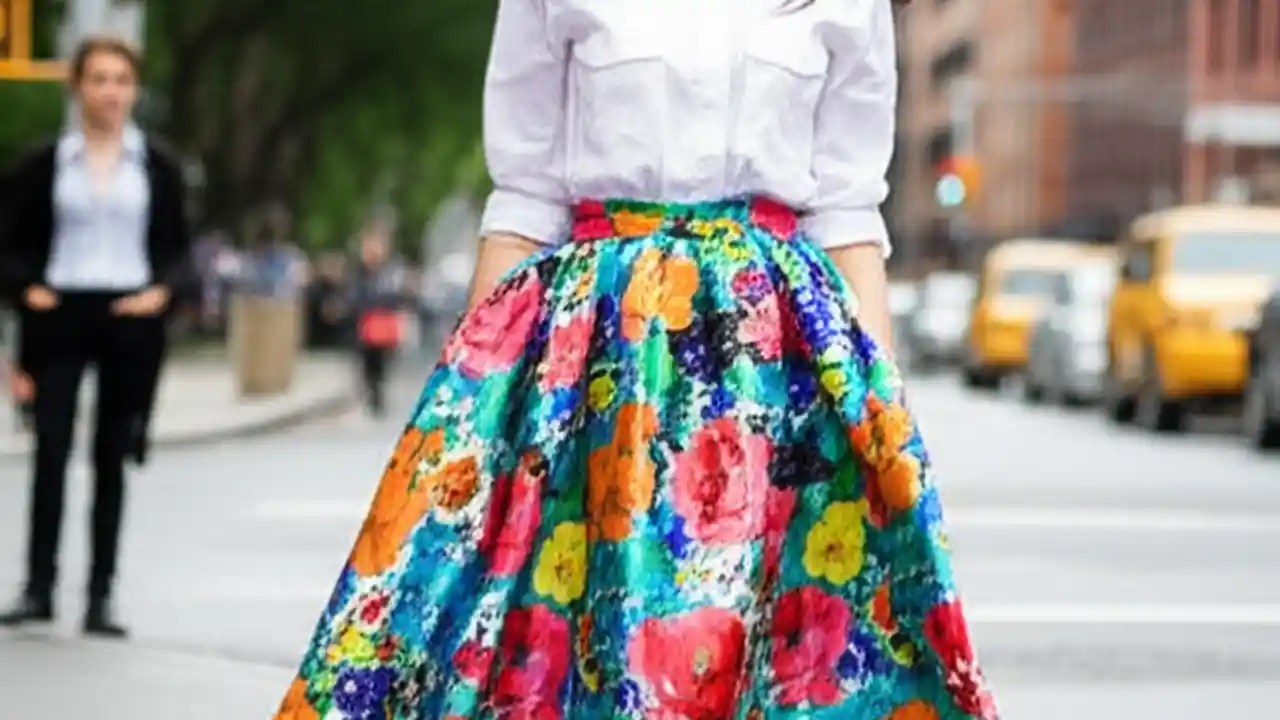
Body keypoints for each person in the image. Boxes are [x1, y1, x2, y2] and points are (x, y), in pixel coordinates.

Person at [276, 0, 999, 717]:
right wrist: (472, 401)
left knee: (763, 649)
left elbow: (847, 214)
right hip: (595, 364)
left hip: (774, 368)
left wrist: (882, 416)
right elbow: (525, 198)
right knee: (564, 632)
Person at [0, 36, 191, 639]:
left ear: (134, 90)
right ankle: (38, 587)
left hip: (129, 314)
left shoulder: (156, 164)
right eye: (99, 79)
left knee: (112, 454)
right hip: (60, 311)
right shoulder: (46, 162)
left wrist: (161, 291)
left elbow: (181, 248)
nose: (110, 91)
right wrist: (25, 289)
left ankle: (101, 595)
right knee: (50, 450)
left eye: (121, 80)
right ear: (78, 87)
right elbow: (9, 240)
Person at [350, 222, 409, 417]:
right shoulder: (360, 272)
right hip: (367, 321)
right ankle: (371, 393)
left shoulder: (391, 271)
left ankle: (378, 394)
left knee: (382, 362)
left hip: (384, 322)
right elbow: (355, 295)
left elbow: (398, 296)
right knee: (367, 361)